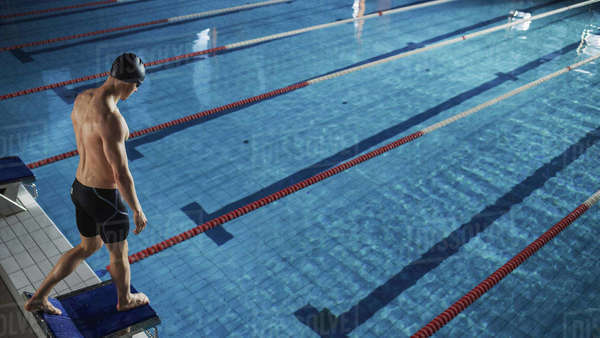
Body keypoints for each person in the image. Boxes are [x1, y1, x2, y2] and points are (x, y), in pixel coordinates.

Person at [25, 53, 149, 314]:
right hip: (104, 198)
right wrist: (136, 208)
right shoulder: (112, 119)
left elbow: (85, 142)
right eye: (137, 85)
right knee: (119, 253)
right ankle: (125, 300)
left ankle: (39, 297)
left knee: (88, 246)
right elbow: (121, 174)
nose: (136, 90)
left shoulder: (82, 99)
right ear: (127, 82)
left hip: (80, 188)